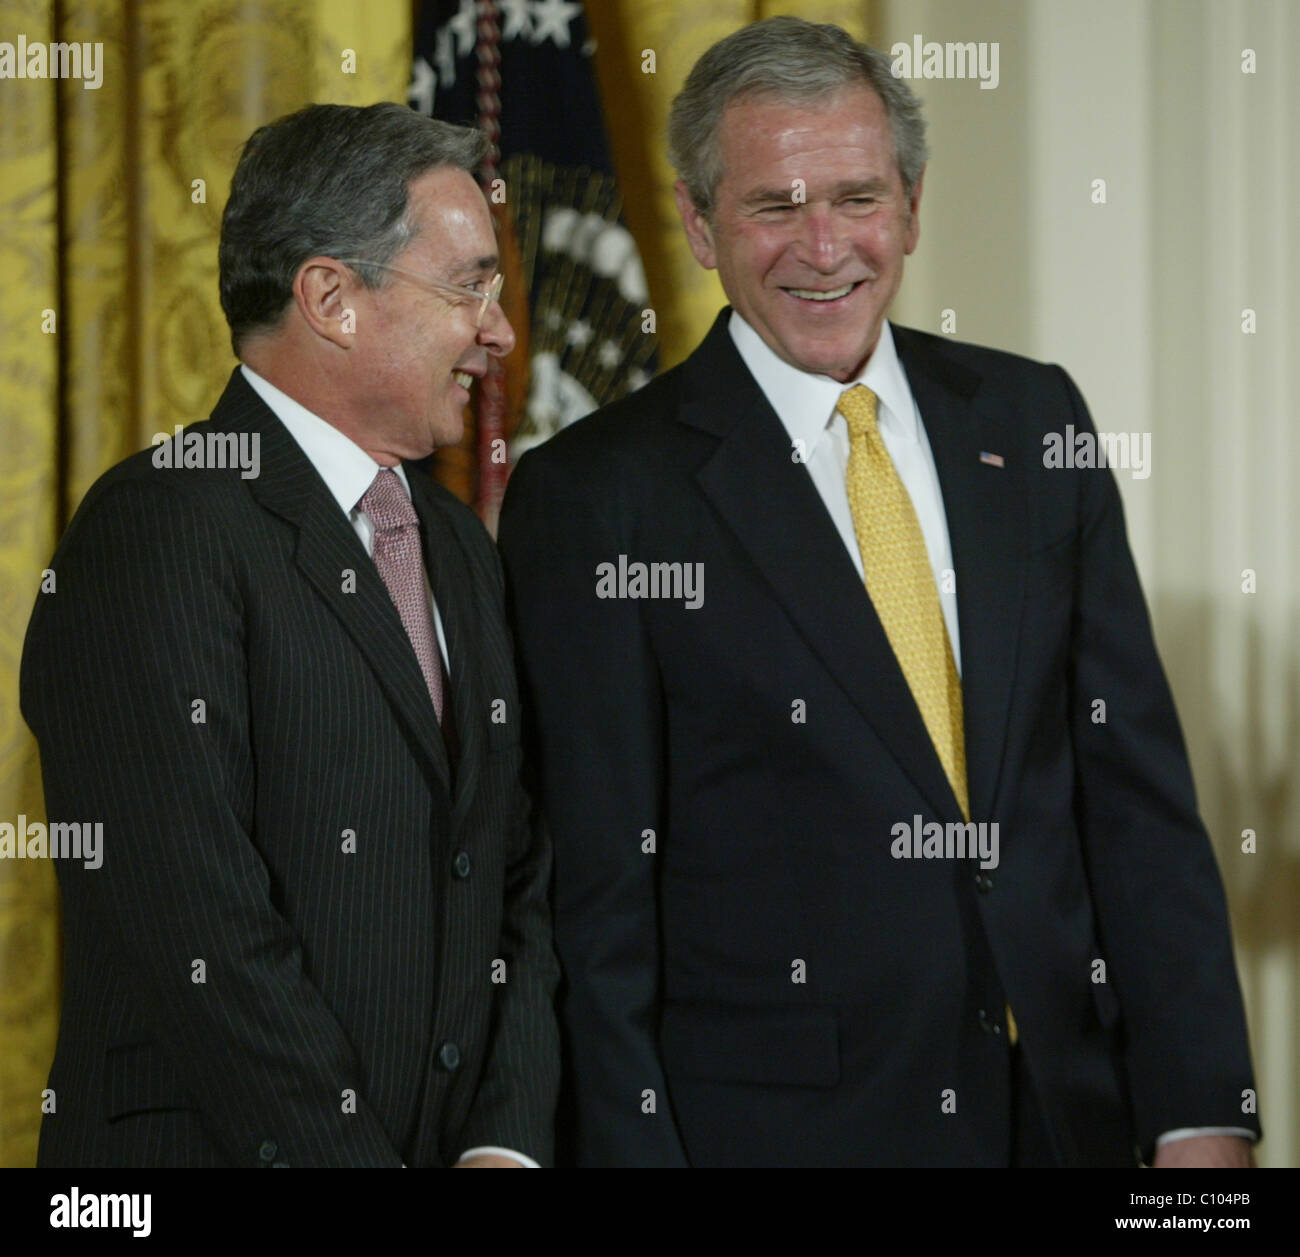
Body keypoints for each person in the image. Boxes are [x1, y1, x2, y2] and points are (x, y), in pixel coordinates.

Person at [497, 18, 1258, 1167]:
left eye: (856, 198)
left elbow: (1136, 803)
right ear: (699, 225)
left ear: (910, 204)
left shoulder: (1033, 419)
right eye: (773, 206)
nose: (823, 246)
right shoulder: (599, 495)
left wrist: (1202, 1113)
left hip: (1068, 1120)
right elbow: (598, 907)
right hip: (783, 1136)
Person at [22, 102, 559, 1168]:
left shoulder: (453, 543)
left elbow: (513, 877)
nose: (499, 328)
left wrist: (502, 1145)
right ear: (330, 298)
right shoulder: (160, 528)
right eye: (469, 285)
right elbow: (202, 933)